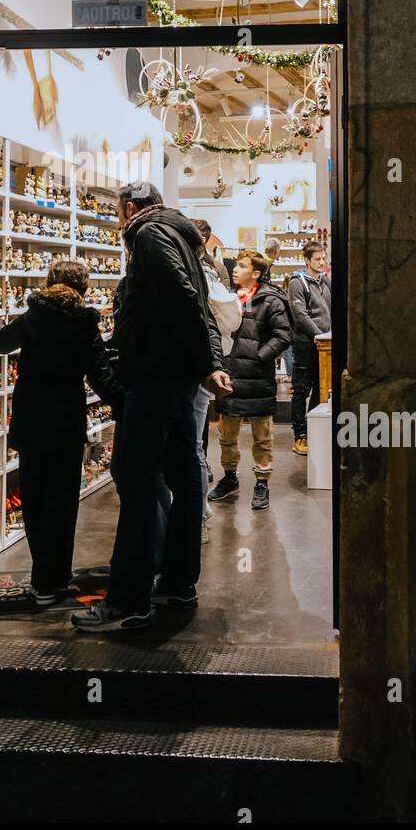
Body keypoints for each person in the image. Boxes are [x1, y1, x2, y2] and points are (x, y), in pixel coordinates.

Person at [71, 183, 231, 632]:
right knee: (183, 479)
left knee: (136, 480)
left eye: (117, 214)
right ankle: (178, 585)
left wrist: (206, 364)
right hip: (177, 378)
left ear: (128, 209)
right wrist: (207, 364)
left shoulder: (149, 235)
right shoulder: (183, 237)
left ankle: (127, 599)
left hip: (155, 378)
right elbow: (200, 307)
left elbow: (183, 300)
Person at [0, 258, 123, 605]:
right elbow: (101, 376)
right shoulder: (84, 325)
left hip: (33, 417)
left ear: (49, 283)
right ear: (83, 288)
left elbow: (0, 343)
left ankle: (41, 580)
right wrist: (126, 406)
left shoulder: (35, 317)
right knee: (63, 501)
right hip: (66, 417)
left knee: (34, 499)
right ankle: (57, 578)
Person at [208, 249, 292, 511]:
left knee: (262, 436)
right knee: (227, 436)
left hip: (257, 378)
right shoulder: (228, 299)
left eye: (241, 266)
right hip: (231, 377)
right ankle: (230, 477)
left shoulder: (271, 300)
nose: (234, 269)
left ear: (256, 273)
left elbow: (283, 335)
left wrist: (259, 357)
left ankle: (262, 482)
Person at [192, 219, 242, 543]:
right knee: (194, 444)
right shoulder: (208, 270)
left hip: (196, 368)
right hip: (204, 364)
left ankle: (196, 515)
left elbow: (210, 321)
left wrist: (213, 365)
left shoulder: (202, 273)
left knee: (192, 445)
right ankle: (196, 513)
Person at [288, 241, 332, 455]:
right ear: (307, 260)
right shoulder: (298, 283)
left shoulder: (326, 281)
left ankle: (314, 430)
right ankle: (300, 435)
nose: (322, 262)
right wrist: (320, 335)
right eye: (317, 259)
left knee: (320, 388)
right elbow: (300, 315)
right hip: (306, 345)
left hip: (324, 346)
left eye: (323, 258)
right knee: (301, 389)